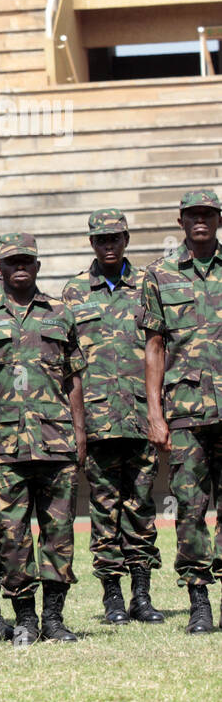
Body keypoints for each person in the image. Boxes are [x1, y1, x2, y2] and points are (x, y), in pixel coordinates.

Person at [0, 233, 86, 644]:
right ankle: (26, 619)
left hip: (56, 443)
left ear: (37, 266)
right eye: (11, 261)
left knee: (60, 534)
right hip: (4, 447)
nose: (20, 267)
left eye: (27, 261)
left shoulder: (60, 314)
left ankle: (54, 618)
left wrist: (80, 433)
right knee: (11, 539)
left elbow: (73, 380)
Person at [61, 210, 163, 625]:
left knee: (140, 506)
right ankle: (112, 599)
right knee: (103, 511)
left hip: (140, 415)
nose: (108, 244)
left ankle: (141, 594)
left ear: (126, 239)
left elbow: (162, 346)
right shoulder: (71, 293)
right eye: (100, 238)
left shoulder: (147, 286)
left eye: (115, 237)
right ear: (90, 242)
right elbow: (66, 364)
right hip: (98, 421)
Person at [141, 188, 222, 633]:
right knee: (190, 506)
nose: (200, 221)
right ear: (180, 221)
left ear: (218, 219)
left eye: (208, 214)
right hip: (186, 411)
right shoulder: (160, 275)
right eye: (192, 214)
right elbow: (154, 347)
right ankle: (199, 601)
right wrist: (155, 413)